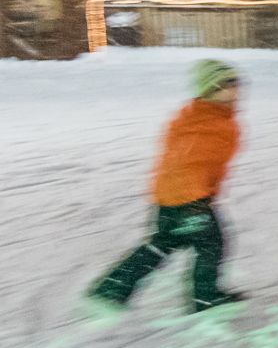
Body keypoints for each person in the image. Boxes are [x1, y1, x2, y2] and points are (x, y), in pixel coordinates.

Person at [87, 59, 247, 315]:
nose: (235, 89)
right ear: (209, 90)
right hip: (188, 200)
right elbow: (186, 164)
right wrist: (195, 203)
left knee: (161, 244)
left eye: (236, 82)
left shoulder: (208, 116)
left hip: (172, 196)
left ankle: (112, 288)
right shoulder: (205, 123)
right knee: (211, 244)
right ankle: (205, 297)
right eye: (226, 85)